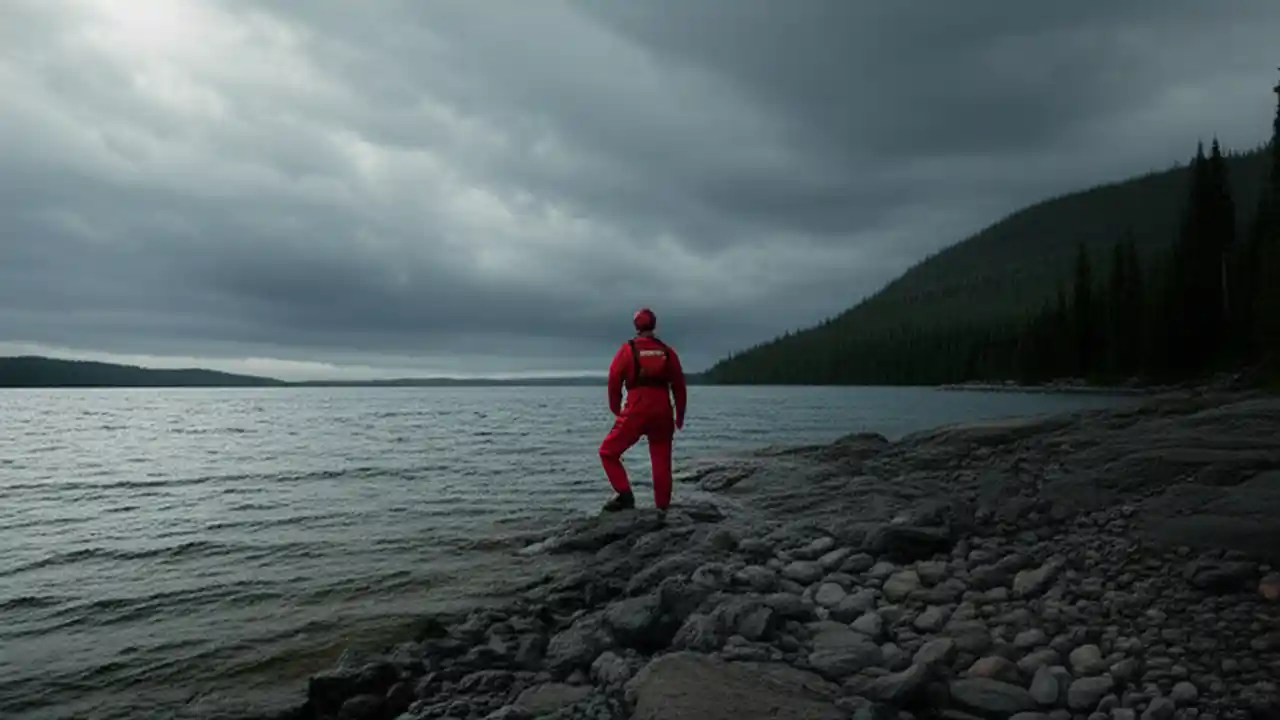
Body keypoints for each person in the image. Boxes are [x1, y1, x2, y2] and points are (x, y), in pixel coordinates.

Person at [598, 307, 687, 512]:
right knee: (661, 462)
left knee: (608, 452)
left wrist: (616, 409)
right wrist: (679, 416)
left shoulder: (627, 350)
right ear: (653, 325)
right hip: (663, 410)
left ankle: (625, 494)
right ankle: (662, 509)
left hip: (636, 408)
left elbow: (613, 381)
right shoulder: (667, 351)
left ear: (636, 326)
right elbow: (679, 386)